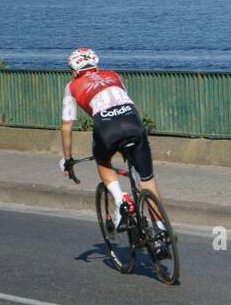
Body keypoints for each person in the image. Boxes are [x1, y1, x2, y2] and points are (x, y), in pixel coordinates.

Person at [58, 48, 167, 252]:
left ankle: (120, 198)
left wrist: (68, 159)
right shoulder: (114, 75)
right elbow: (122, 98)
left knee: (103, 161)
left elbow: (66, 126)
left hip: (106, 126)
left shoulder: (72, 86)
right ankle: (161, 234)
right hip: (132, 121)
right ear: (96, 65)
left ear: (73, 70)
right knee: (146, 179)